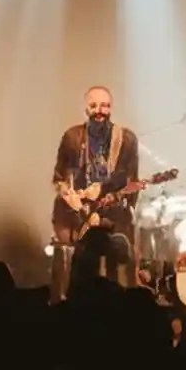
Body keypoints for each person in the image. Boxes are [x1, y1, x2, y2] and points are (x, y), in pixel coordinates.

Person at [51, 86, 139, 288]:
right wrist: (69, 196)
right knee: (81, 260)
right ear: (85, 109)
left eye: (105, 106)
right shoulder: (72, 137)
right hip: (77, 215)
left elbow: (131, 181)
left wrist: (105, 192)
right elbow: (59, 178)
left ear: (111, 109)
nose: (99, 110)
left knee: (117, 258)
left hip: (113, 214)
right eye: (94, 105)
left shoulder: (126, 139)